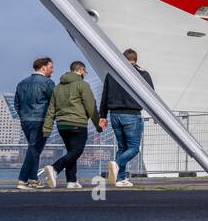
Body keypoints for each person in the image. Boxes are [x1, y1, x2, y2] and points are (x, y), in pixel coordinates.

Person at [39, 61, 105, 189]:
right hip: (77, 123)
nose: (85, 74)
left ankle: (72, 181)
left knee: (71, 152)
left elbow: (51, 109)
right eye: (85, 72)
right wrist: (98, 125)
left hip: (62, 125)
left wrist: (47, 128)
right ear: (81, 71)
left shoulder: (58, 87)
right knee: (76, 151)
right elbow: (91, 106)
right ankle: (55, 168)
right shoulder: (83, 85)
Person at [100, 48, 153, 187]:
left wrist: (102, 116)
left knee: (122, 148)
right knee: (134, 148)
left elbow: (104, 96)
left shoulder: (111, 74)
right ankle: (116, 164)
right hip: (131, 114)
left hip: (114, 115)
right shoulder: (141, 74)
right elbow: (151, 94)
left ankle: (120, 179)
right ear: (135, 60)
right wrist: (144, 72)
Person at [13, 56, 55, 189]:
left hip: (25, 121)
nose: (52, 70)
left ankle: (33, 179)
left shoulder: (22, 83)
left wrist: (23, 116)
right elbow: (54, 103)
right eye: (50, 67)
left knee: (34, 150)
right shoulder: (48, 83)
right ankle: (22, 179)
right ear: (43, 67)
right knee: (34, 149)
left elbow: (16, 104)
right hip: (40, 120)